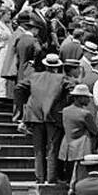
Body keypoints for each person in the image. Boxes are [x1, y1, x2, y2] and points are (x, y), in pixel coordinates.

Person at [24, 55, 66, 185]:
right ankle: (51, 178)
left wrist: (24, 107)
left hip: (35, 116)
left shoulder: (34, 76)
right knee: (52, 148)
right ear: (57, 67)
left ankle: (40, 178)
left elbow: (18, 88)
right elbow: (71, 89)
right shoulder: (61, 78)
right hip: (53, 117)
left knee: (38, 149)